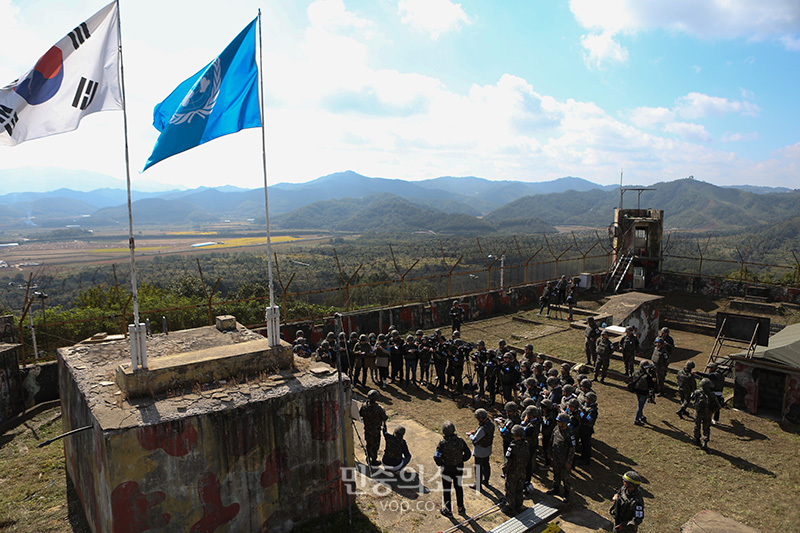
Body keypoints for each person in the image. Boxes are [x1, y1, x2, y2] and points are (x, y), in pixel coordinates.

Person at [434, 420, 471, 517]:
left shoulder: (442, 443)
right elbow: (468, 454)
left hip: (446, 469)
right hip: (458, 468)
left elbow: (437, 457)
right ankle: (460, 508)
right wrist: (461, 460)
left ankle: (448, 510)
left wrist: (441, 464)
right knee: (458, 487)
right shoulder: (460, 441)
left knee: (447, 490)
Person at [502, 425, 530, 515]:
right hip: (522, 471)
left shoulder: (512, 446)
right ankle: (519, 504)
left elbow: (508, 461)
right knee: (519, 488)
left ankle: (510, 506)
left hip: (513, 472)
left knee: (510, 488)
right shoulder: (526, 444)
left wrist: (505, 470)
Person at [547, 412, 576, 499]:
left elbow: (572, 449)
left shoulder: (570, 434)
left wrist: (569, 462)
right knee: (556, 474)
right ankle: (556, 488)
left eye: (559, 421)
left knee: (565, 477)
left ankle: (566, 493)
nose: (557, 423)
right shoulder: (556, 429)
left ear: (564, 423)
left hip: (564, 459)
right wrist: (549, 452)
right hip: (555, 457)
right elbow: (552, 440)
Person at [467, 408, 494, 492]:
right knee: (486, 465)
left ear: (481, 418)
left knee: (478, 468)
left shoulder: (482, 428)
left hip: (480, 451)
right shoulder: (491, 424)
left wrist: (470, 435)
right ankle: (486, 481)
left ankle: (478, 485)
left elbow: (475, 440)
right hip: (488, 449)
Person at [359, 389, 388, 467]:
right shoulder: (378, 409)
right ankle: (374, 460)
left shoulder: (364, 406)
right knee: (375, 445)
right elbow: (384, 418)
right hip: (375, 430)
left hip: (367, 429)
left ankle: (368, 457)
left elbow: (360, 414)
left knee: (368, 443)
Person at [691, 378, 721, 451]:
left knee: (697, 425)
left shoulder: (697, 392)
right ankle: (705, 441)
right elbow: (718, 406)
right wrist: (712, 411)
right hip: (708, 414)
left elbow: (692, 398)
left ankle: (696, 438)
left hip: (698, 412)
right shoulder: (712, 395)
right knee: (706, 427)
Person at [631, 361, 656, 426]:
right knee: (640, 406)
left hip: (637, 390)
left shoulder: (636, 372)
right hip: (644, 392)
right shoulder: (647, 376)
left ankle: (641, 415)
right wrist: (653, 380)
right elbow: (652, 385)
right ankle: (636, 420)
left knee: (640, 403)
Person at [578, 392, 598, 465]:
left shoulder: (593, 411)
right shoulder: (587, 406)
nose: (585, 400)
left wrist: (581, 413)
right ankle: (583, 456)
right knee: (583, 444)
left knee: (586, 445)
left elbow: (587, 419)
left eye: (587, 399)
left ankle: (586, 460)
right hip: (583, 428)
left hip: (587, 429)